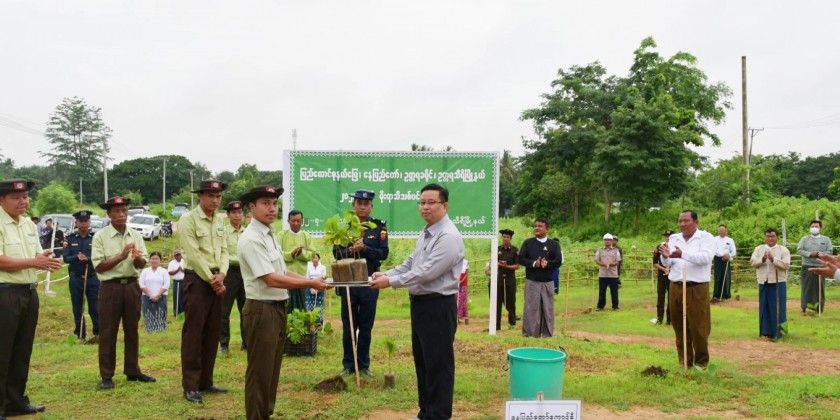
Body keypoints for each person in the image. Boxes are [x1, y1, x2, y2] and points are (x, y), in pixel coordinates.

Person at [370, 183, 464, 420]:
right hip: (421, 305)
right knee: (423, 363)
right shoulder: (427, 232)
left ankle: (438, 415)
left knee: (438, 366)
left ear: (445, 205)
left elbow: (426, 272)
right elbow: (412, 263)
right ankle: (426, 413)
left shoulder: (448, 236)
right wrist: (387, 273)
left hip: (438, 306)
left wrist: (391, 282)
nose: (425, 207)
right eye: (422, 202)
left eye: (431, 202)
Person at [237, 186, 331, 420]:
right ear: (252, 207)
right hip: (261, 310)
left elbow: (282, 271)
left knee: (271, 369)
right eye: (265, 203)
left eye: (274, 203)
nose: (272, 208)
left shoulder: (270, 234)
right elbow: (270, 279)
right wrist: (308, 283)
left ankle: (265, 413)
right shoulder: (251, 238)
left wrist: (313, 281)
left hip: (277, 307)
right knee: (259, 372)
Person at [0, 179, 58, 417]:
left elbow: (34, 254)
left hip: (28, 292)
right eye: (16, 198)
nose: (22, 202)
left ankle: (15, 401)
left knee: (22, 349)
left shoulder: (27, 224)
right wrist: (34, 262)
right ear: (1, 200)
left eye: (25, 197)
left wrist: (44, 258)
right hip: (5, 293)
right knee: (2, 350)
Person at [91, 196, 156, 389]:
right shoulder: (100, 236)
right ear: (109, 214)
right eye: (117, 211)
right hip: (110, 288)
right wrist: (121, 256)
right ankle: (107, 376)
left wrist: (137, 258)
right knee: (108, 331)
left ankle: (133, 371)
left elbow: (142, 264)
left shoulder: (135, 235)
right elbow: (99, 267)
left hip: (131, 287)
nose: (121, 215)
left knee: (132, 330)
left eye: (124, 211)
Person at [178, 179, 230, 403]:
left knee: (212, 332)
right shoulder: (187, 219)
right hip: (198, 281)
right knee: (194, 333)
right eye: (210, 196)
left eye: (218, 196)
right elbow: (193, 254)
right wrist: (212, 279)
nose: (215, 200)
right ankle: (191, 386)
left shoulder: (220, 220)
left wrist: (222, 274)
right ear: (199, 195)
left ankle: (206, 381)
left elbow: (225, 250)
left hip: (217, 279)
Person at [332, 190, 389, 378]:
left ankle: (363, 365)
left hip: (369, 283)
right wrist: (351, 250)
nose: (362, 207)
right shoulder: (344, 228)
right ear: (353, 205)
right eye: (359, 203)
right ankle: (349, 365)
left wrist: (365, 247)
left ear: (371, 206)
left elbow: (383, 254)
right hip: (348, 282)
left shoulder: (379, 227)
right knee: (348, 325)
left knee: (366, 325)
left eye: (366, 203)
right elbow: (336, 254)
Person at [658, 210, 715, 370]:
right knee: (678, 324)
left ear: (696, 222)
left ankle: (701, 363)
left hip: (697, 287)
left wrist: (682, 254)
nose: (682, 224)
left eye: (686, 221)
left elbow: (705, 258)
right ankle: (685, 362)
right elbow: (668, 263)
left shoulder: (706, 238)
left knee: (699, 326)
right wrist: (665, 256)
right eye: (680, 221)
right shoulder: (674, 238)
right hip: (676, 285)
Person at [518, 218, 563, 338]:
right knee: (531, 308)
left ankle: (547, 334)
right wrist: (534, 263)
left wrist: (547, 263)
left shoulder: (554, 245)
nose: (536, 228)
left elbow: (558, 261)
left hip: (548, 281)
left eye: (540, 226)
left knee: (547, 308)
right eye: (535, 226)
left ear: (547, 229)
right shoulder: (528, 243)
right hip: (532, 281)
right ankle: (530, 334)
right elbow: (521, 259)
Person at [63, 210, 100, 343]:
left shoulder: (95, 238)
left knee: (95, 307)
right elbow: (65, 258)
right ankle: (80, 334)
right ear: (76, 223)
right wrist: (76, 257)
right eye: (81, 221)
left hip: (92, 277)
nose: (83, 224)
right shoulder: (70, 238)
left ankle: (98, 334)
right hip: (76, 278)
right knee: (77, 307)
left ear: (89, 222)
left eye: (86, 221)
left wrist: (88, 259)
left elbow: (100, 257)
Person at [749, 228, 791, 341]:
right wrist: (763, 259)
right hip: (763, 282)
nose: (770, 238)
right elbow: (752, 262)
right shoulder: (759, 249)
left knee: (778, 307)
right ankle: (765, 332)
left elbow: (786, 265)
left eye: (773, 236)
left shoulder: (783, 250)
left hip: (778, 282)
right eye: (768, 236)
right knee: (765, 306)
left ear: (777, 238)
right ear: (765, 237)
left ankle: (779, 333)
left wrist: (773, 259)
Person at [221, 201, 247, 353]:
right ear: (228, 214)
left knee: (246, 309)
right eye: (234, 213)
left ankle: (247, 342)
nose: (237, 215)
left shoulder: (247, 232)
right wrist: (241, 259)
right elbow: (222, 254)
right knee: (224, 311)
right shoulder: (223, 232)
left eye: (239, 212)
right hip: (229, 273)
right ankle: (224, 344)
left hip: (245, 274)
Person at [279, 210, 315, 313]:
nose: (296, 223)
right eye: (293, 221)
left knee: (302, 307)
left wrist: (301, 253)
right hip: (285, 278)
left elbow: (312, 254)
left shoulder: (306, 236)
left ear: (302, 221)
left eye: (298, 221)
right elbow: (277, 254)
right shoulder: (282, 235)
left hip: (301, 277)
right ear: (288, 221)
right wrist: (291, 254)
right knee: (286, 307)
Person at [796, 220, 833, 315]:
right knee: (806, 287)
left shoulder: (826, 239)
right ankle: (804, 307)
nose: (814, 228)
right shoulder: (804, 239)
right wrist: (810, 254)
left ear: (820, 228)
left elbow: (830, 251)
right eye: (812, 227)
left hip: (821, 266)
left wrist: (820, 254)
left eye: (816, 227)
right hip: (807, 266)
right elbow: (799, 250)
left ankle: (819, 308)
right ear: (809, 228)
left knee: (820, 287)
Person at [495, 229, 519, 330]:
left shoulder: (515, 250)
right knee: (497, 302)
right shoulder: (497, 249)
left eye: (507, 237)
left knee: (511, 301)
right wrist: (498, 264)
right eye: (504, 237)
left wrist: (507, 266)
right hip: (499, 278)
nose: (505, 239)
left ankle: (512, 324)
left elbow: (517, 266)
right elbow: (493, 262)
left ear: (510, 238)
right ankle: (496, 325)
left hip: (510, 278)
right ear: (501, 238)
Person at [139, 252, 170, 333]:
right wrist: (150, 295)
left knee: (160, 314)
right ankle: (149, 330)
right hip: (147, 297)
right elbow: (141, 284)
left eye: (157, 259)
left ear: (160, 260)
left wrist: (158, 295)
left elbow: (166, 284)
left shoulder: (164, 271)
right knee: (148, 314)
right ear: (150, 260)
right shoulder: (145, 271)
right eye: (153, 259)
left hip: (161, 296)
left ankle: (160, 331)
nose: (154, 260)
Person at [595, 233, 621, 311]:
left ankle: (615, 306)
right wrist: (603, 264)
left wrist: (610, 264)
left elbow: (618, 261)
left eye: (609, 240)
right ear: (604, 241)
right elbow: (596, 260)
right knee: (602, 291)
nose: (607, 241)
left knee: (614, 291)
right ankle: (600, 306)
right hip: (603, 274)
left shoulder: (616, 250)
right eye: (606, 240)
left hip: (613, 274)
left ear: (611, 241)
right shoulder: (599, 250)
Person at [652, 230, 674, 325]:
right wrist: (664, 269)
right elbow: (655, 263)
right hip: (662, 275)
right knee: (661, 297)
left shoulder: (676, 247)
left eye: (670, 235)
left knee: (671, 297)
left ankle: (670, 319)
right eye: (667, 235)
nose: (668, 237)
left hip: (673, 275)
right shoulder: (660, 247)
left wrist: (670, 270)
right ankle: (659, 319)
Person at [712, 224, 737, 303]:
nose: (721, 231)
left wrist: (728, 256)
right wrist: (723, 255)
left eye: (723, 230)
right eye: (720, 230)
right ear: (718, 231)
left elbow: (734, 251)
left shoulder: (730, 240)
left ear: (726, 231)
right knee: (718, 277)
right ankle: (716, 295)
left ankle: (726, 295)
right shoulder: (714, 239)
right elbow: (714, 249)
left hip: (727, 259)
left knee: (726, 277)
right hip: (718, 259)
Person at [305, 253, 327, 325]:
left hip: (319, 287)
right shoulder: (309, 267)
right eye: (313, 258)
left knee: (319, 304)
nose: (315, 259)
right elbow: (307, 278)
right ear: (312, 259)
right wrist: (311, 287)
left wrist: (318, 288)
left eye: (316, 258)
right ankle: (310, 323)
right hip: (310, 287)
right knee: (310, 304)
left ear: (319, 259)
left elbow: (324, 277)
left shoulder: (322, 267)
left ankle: (319, 323)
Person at [168, 249, 186, 316]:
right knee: (177, 297)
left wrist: (182, 270)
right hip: (177, 281)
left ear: (181, 255)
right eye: (177, 255)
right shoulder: (171, 263)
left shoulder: (184, 261)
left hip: (184, 281)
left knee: (184, 296)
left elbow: (188, 271)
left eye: (179, 255)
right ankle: (176, 312)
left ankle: (184, 312)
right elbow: (170, 272)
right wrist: (177, 270)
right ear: (174, 256)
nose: (178, 256)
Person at [457, 259, 469, 323]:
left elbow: (467, 273)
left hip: (463, 283)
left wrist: (461, 281)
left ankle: (463, 316)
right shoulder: (456, 261)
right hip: (456, 283)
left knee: (463, 299)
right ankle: (457, 317)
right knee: (457, 300)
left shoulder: (466, 262)